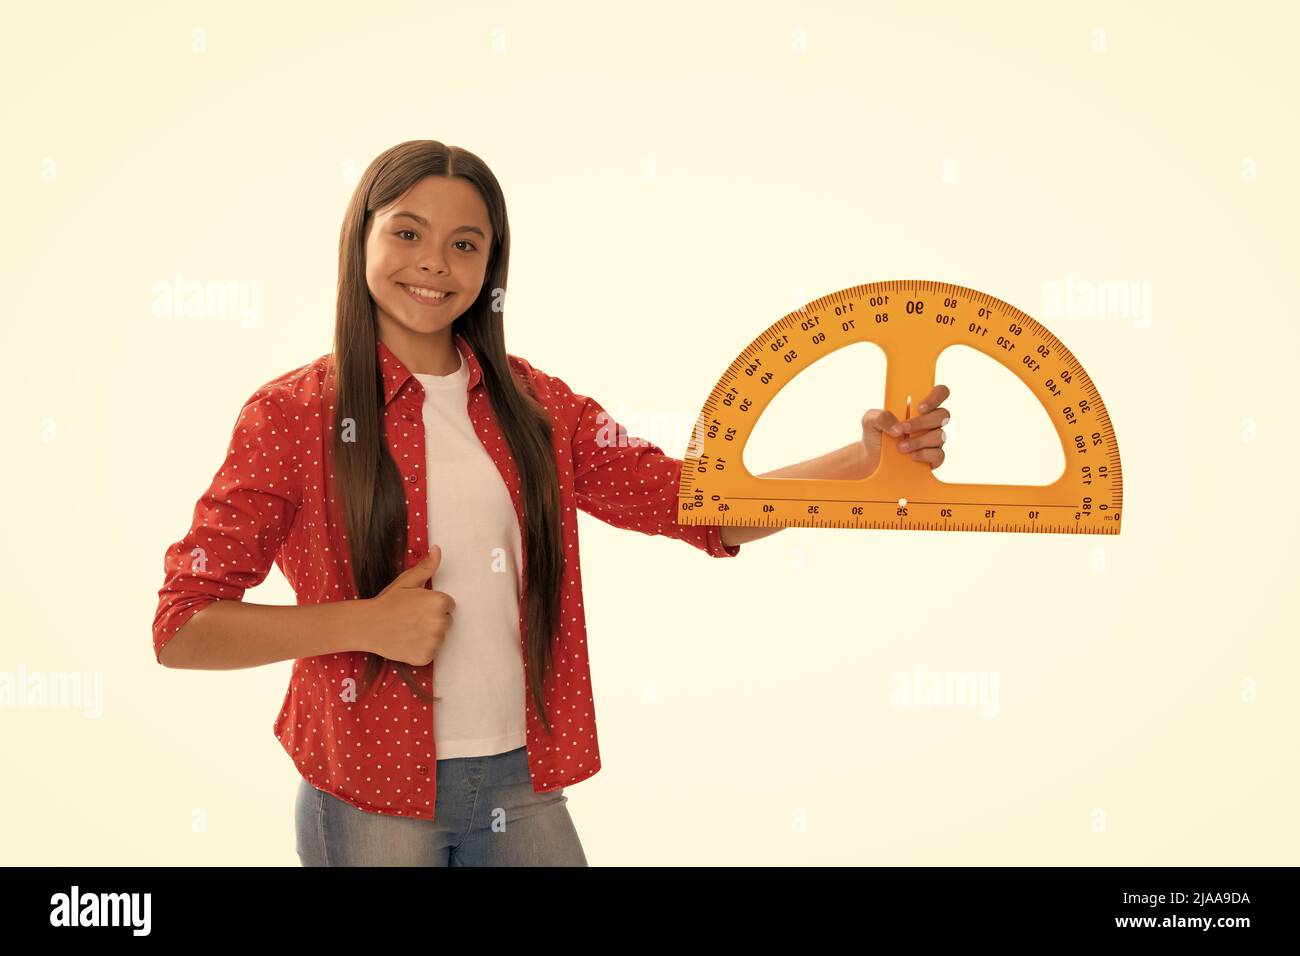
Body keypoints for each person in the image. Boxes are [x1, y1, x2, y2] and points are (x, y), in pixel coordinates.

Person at [151, 140, 952, 866]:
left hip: (520, 781)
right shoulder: (291, 415)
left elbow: (699, 509)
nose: (434, 263)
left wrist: (859, 462)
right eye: (407, 232)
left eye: (465, 244)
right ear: (360, 236)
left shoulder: (534, 404)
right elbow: (182, 627)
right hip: (367, 796)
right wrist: (364, 623)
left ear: (490, 265)